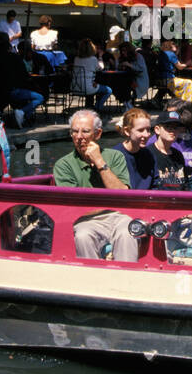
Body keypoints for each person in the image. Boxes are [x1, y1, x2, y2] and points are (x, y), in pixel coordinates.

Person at [53, 110, 139, 261]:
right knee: (83, 236)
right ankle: (91, 281)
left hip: (117, 216)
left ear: (98, 134)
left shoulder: (115, 157)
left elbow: (122, 194)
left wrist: (99, 162)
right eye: (74, 131)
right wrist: (110, 203)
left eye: (85, 131)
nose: (79, 137)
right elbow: (74, 206)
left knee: (128, 231)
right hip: (86, 220)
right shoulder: (63, 165)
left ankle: (126, 279)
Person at [0, 33, 44, 127]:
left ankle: (4, 113)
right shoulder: (16, 58)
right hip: (13, 91)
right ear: (9, 48)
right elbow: (24, 75)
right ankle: (21, 113)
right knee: (40, 97)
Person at [117, 108, 159, 189]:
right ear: (127, 131)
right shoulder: (115, 155)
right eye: (140, 130)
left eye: (148, 130)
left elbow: (155, 184)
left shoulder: (149, 155)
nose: (146, 135)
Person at [149, 111, 188, 189]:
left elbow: (185, 184)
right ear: (157, 129)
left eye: (176, 127)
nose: (172, 130)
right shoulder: (148, 153)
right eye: (168, 127)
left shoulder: (178, 155)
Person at [72, 38, 112, 111]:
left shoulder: (76, 59)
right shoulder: (93, 59)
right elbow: (101, 68)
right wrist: (100, 56)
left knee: (92, 85)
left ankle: (90, 106)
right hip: (88, 87)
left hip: (76, 87)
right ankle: (97, 107)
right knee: (108, 90)